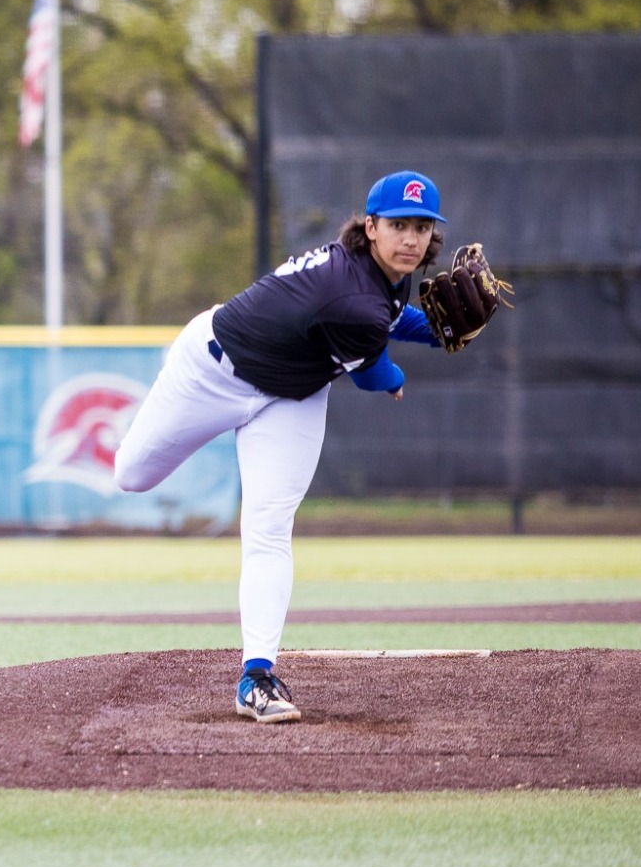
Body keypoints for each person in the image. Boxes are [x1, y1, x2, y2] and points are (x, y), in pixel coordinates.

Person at [114, 170, 460, 723]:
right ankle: (166, 412)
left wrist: (444, 331)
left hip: (290, 397)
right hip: (211, 372)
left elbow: (392, 316)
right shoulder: (353, 297)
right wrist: (405, 371)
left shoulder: (378, 282)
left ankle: (257, 676)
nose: (411, 239)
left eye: (422, 227)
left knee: (269, 528)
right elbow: (375, 373)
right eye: (398, 225)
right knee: (130, 474)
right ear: (370, 227)